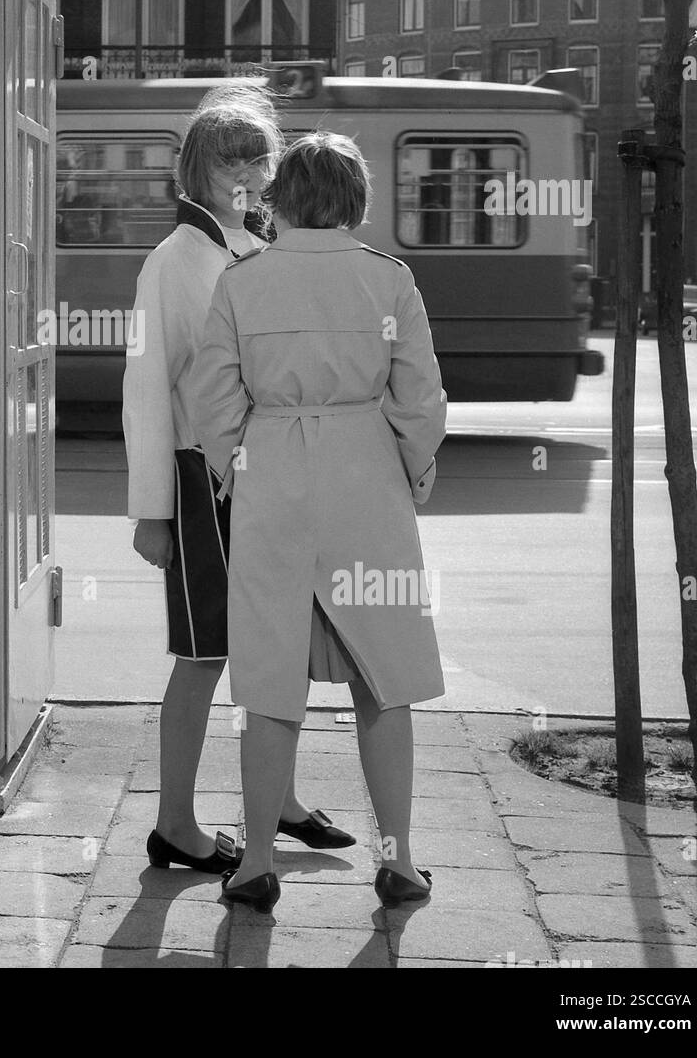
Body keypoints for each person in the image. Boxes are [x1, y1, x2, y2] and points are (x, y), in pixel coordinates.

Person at [192, 131, 446, 914]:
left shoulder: (243, 281)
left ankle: (256, 863)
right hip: (365, 474)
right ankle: (398, 864)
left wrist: (232, 466)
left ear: (280, 200)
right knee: (385, 679)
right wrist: (416, 471)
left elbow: (212, 398)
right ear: (356, 200)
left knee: (269, 679)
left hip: (273, 469)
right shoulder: (390, 281)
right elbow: (420, 399)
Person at [123, 88, 357, 879]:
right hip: (202, 485)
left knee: (274, 646)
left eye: (260, 156)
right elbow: (148, 390)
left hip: (264, 481)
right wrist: (152, 511)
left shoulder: (252, 249)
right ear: (198, 169)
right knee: (202, 656)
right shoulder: (175, 261)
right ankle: (175, 824)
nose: (250, 172)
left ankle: (279, 799)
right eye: (231, 158)